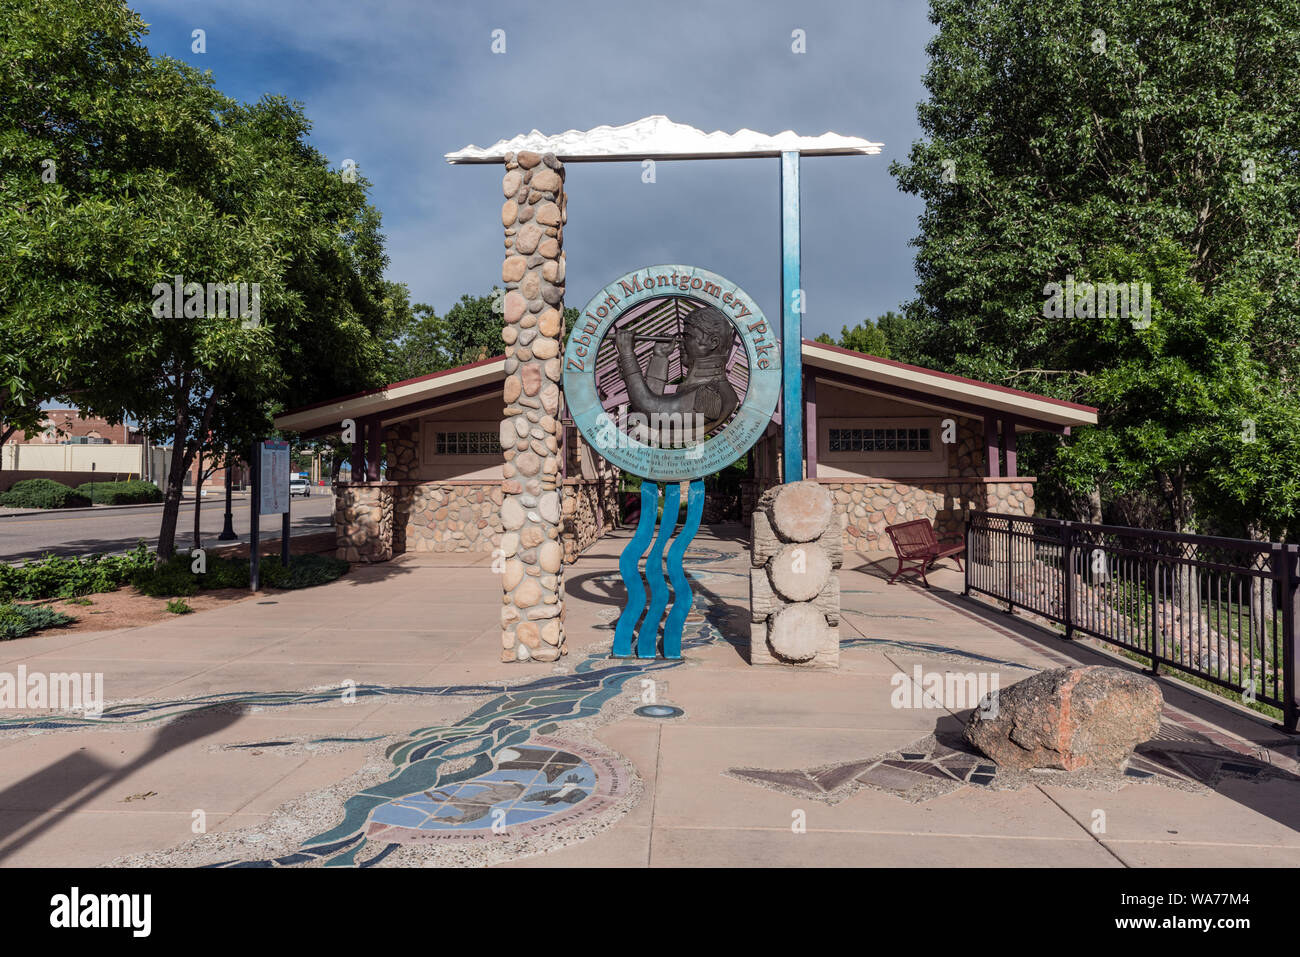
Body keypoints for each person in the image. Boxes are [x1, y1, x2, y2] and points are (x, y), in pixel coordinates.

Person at [613, 305, 739, 438]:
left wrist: (627, 355)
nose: (680, 343)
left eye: (687, 337)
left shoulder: (711, 393)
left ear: (713, 342)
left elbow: (650, 411)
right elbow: (655, 403)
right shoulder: (704, 386)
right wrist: (659, 358)